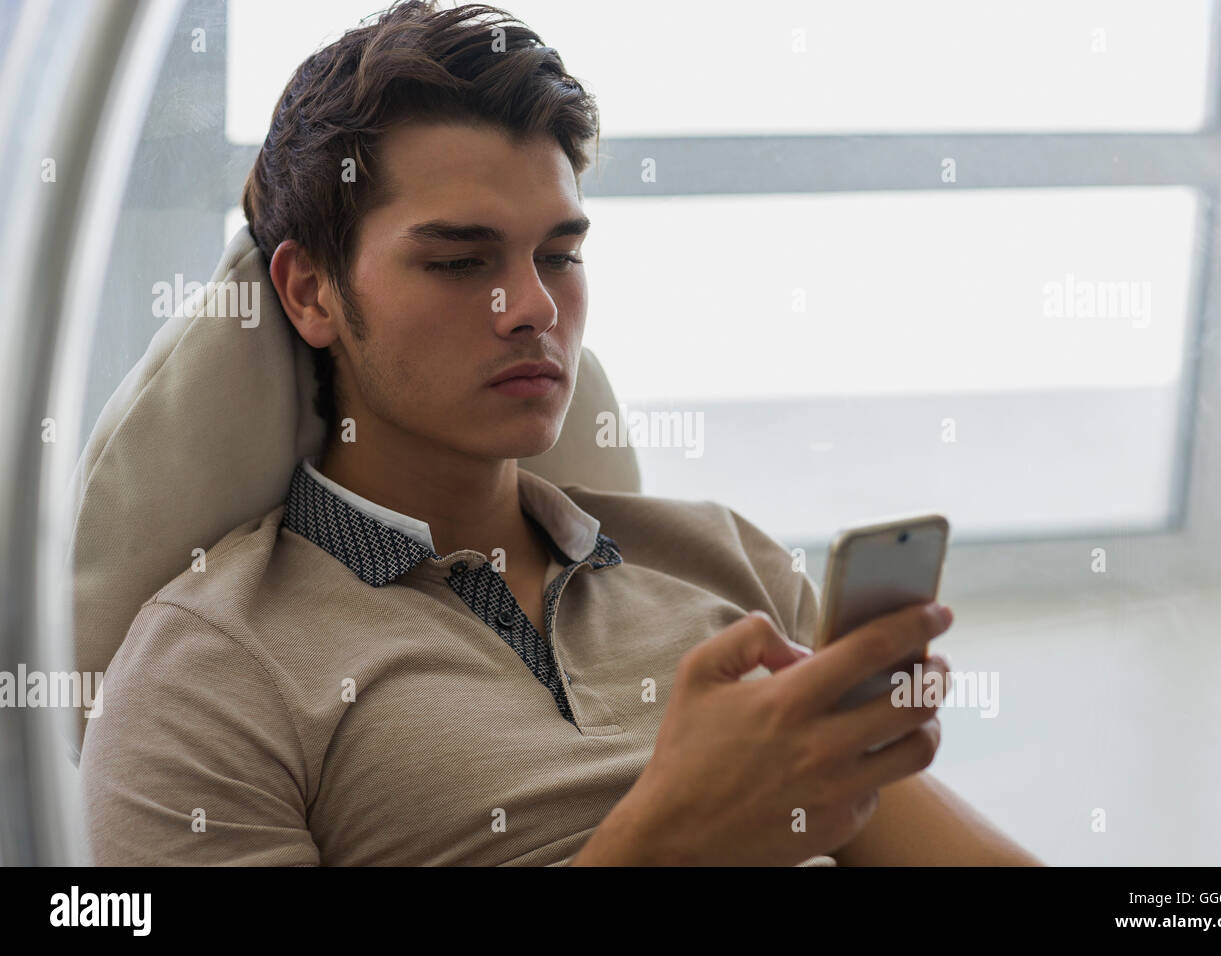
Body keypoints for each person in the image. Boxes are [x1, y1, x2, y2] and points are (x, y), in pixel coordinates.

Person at [79, 0, 1041, 866]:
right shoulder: (209, 671)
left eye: (560, 255)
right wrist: (666, 841)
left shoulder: (725, 566)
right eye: (460, 261)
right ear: (309, 290)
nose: (531, 306)